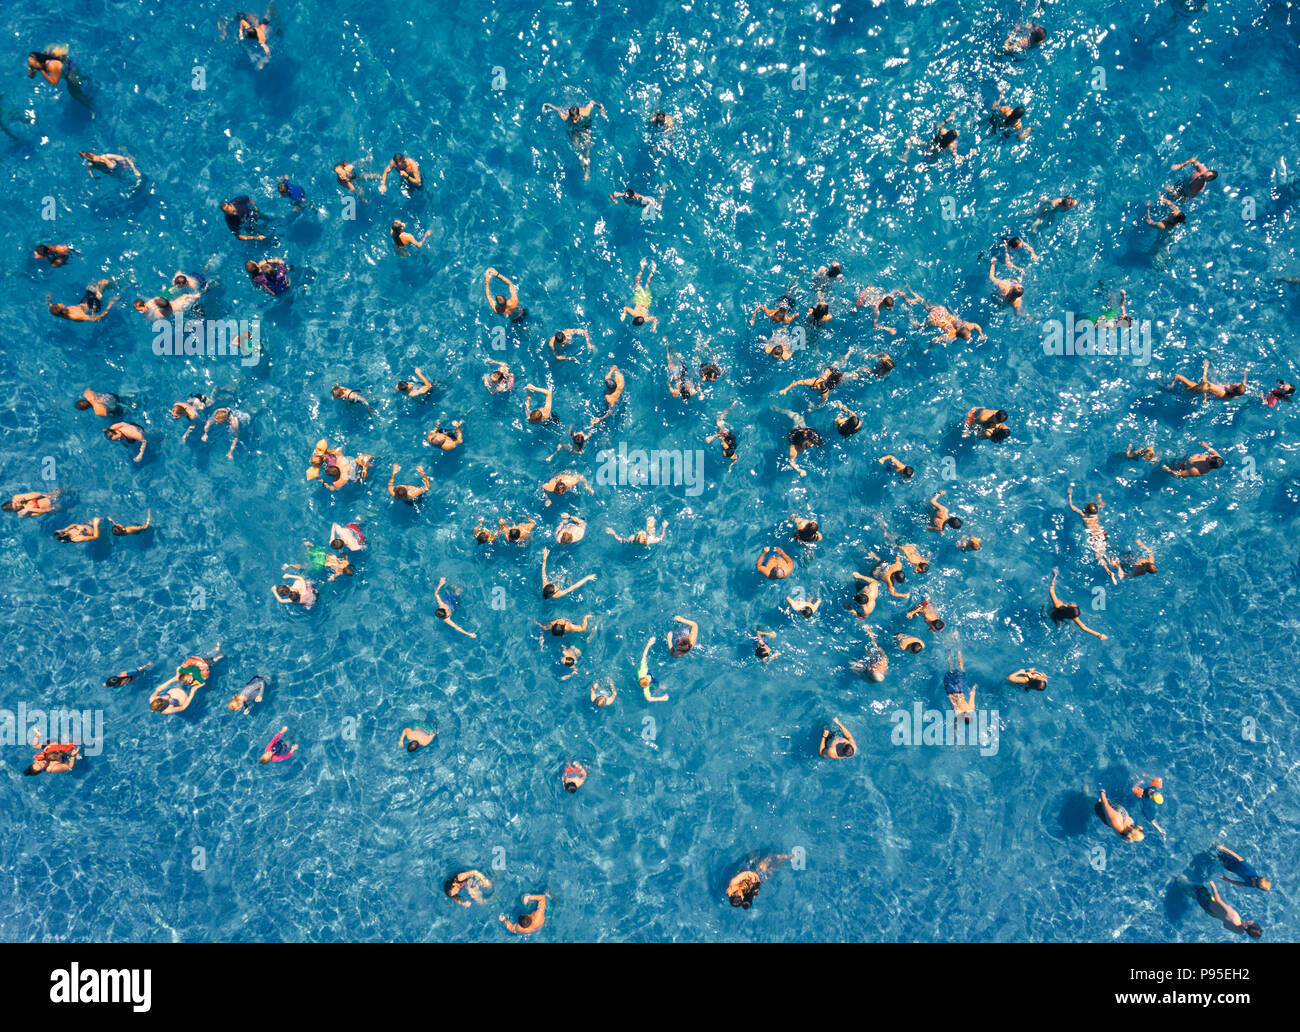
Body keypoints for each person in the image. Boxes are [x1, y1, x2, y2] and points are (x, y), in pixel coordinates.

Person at [1067, 485, 1122, 584]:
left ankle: (1109, 572)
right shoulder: (1096, 515)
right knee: (1105, 553)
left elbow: (1072, 507)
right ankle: (1118, 567)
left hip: (1096, 538)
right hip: (1103, 534)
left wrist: (1070, 496)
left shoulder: (1084, 516)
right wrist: (1099, 499)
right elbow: (1101, 505)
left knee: (1099, 558)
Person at [541, 99, 606, 179]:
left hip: (585, 127)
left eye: (575, 119)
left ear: (579, 115)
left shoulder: (585, 112)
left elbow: (592, 102)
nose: (574, 121)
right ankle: (583, 167)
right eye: (572, 119)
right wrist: (546, 105)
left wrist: (601, 108)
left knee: (586, 146)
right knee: (577, 147)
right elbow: (557, 109)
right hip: (575, 130)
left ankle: (587, 169)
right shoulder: (566, 117)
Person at [151, 650, 222, 713]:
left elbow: (158, 689)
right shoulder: (168, 710)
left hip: (179, 685)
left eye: (161, 698)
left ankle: (211, 655)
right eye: (164, 700)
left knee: (194, 669)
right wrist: (192, 692)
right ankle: (215, 659)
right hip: (188, 692)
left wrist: (173, 679)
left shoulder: (152, 699)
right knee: (202, 679)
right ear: (161, 706)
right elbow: (183, 707)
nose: (166, 698)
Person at [1048, 569, 1107, 640]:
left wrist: (1054, 577)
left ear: (1068, 608)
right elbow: (1083, 627)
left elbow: (1051, 590)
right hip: (1060, 616)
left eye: (1071, 604)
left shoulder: (1058, 605)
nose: (1072, 603)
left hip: (1052, 613)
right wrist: (1099, 635)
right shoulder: (1072, 616)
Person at [1192, 880, 1262, 938]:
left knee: (1195, 887)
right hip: (1212, 913)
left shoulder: (1234, 916)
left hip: (1208, 902)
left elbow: (1218, 900)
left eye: (1250, 923)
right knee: (1194, 895)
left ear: (1246, 927)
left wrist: (1213, 886)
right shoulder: (1240, 932)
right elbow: (1225, 926)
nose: (1250, 921)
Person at [725, 854, 793, 908]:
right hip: (754, 880)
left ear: (734, 895)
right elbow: (754, 893)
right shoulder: (740, 897)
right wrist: (754, 891)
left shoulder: (733, 882)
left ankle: (785, 856)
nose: (742, 895)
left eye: (740, 895)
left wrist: (754, 879)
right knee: (770, 870)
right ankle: (787, 860)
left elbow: (747, 874)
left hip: (747, 872)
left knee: (766, 861)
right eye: (742, 897)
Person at [1169, 359, 1247, 400]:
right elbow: (1243, 385)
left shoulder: (1220, 390)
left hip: (1202, 389)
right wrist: (1244, 375)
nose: (1236, 383)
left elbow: (1205, 383)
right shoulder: (1236, 394)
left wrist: (1205, 368)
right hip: (1206, 392)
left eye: (1235, 385)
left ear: (1232, 390)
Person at [48, 280, 116, 321]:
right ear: (63, 311)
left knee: (90, 287)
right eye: (62, 305)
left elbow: (51, 306)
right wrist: (109, 306)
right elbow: (99, 318)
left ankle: (103, 288)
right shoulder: (76, 316)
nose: (62, 304)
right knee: (104, 282)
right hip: (93, 307)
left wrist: (50, 300)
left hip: (83, 302)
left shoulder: (58, 312)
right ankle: (116, 285)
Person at [620, 258, 658, 331]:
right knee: (637, 282)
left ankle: (653, 270)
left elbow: (655, 318)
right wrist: (623, 315)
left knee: (647, 284)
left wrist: (654, 327)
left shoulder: (646, 319)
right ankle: (642, 267)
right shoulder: (634, 313)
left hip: (646, 301)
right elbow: (625, 308)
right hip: (640, 298)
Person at [637, 636, 668, 702]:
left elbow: (644, 656)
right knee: (661, 686)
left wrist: (649, 644)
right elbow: (649, 699)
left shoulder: (643, 670)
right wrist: (662, 698)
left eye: (647, 677)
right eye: (649, 679)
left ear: (644, 676)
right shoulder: (646, 688)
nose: (649, 677)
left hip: (643, 672)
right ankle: (656, 691)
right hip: (649, 683)